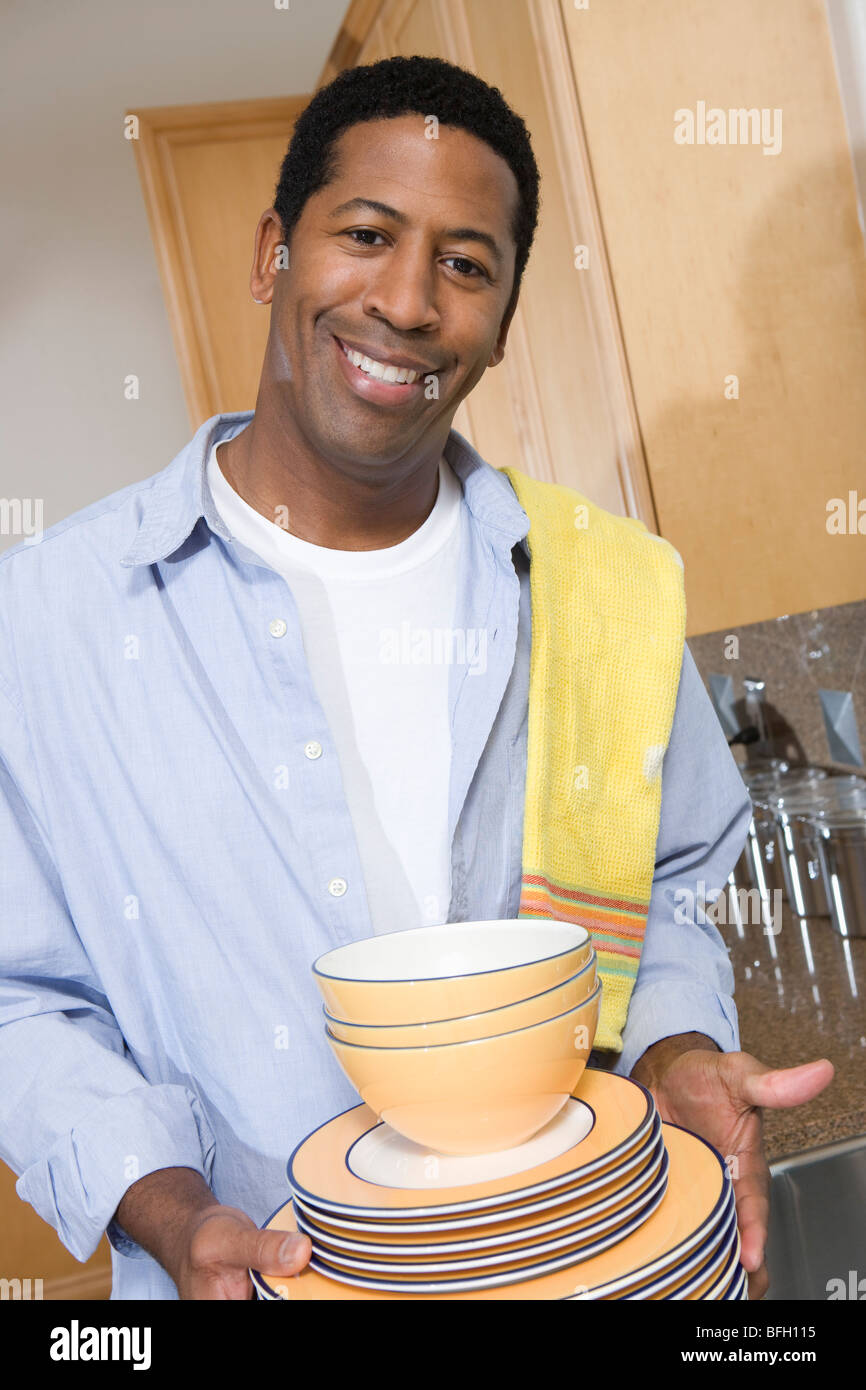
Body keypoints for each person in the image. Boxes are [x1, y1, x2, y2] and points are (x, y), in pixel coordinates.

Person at [0, 55, 831, 1301]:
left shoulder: (601, 588)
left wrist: (675, 1042)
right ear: (273, 252)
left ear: (501, 320)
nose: (404, 300)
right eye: (367, 234)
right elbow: (19, 999)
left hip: (575, 1259)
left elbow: (667, 888)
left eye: (464, 263)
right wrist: (168, 1211)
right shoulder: (47, 622)